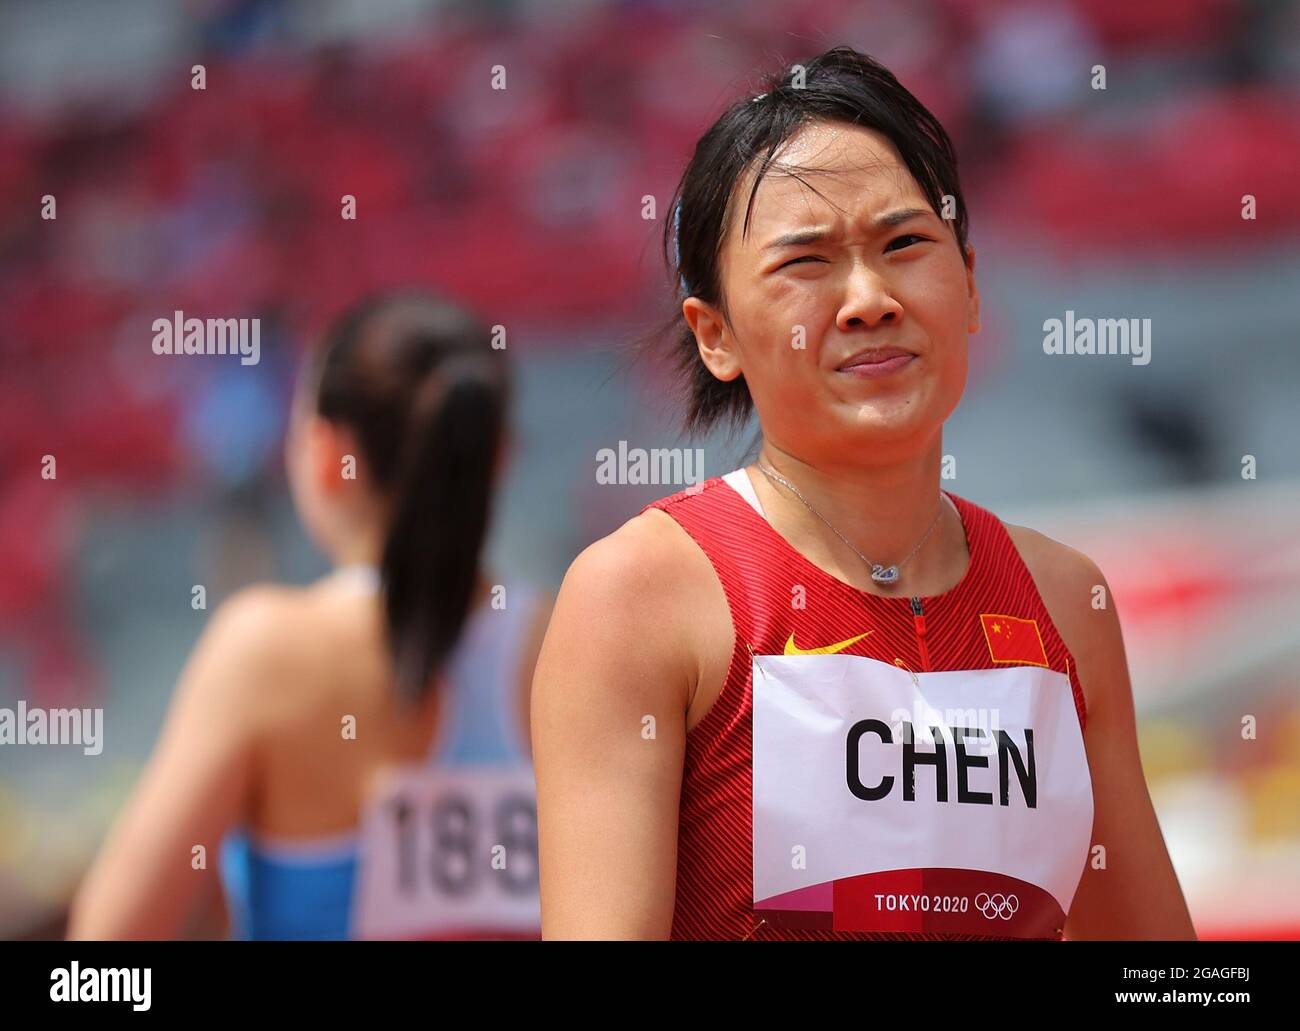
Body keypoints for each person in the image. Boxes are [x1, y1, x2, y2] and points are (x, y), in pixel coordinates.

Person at [531, 46, 1196, 940]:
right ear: (714, 335)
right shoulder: (637, 597)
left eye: (905, 244)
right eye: (805, 263)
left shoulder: (1067, 602)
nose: (868, 298)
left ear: (969, 285)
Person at [68, 290, 551, 940]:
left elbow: (98, 963)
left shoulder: (263, 653)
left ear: (326, 456)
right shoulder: (570, 641)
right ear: (500, 455)